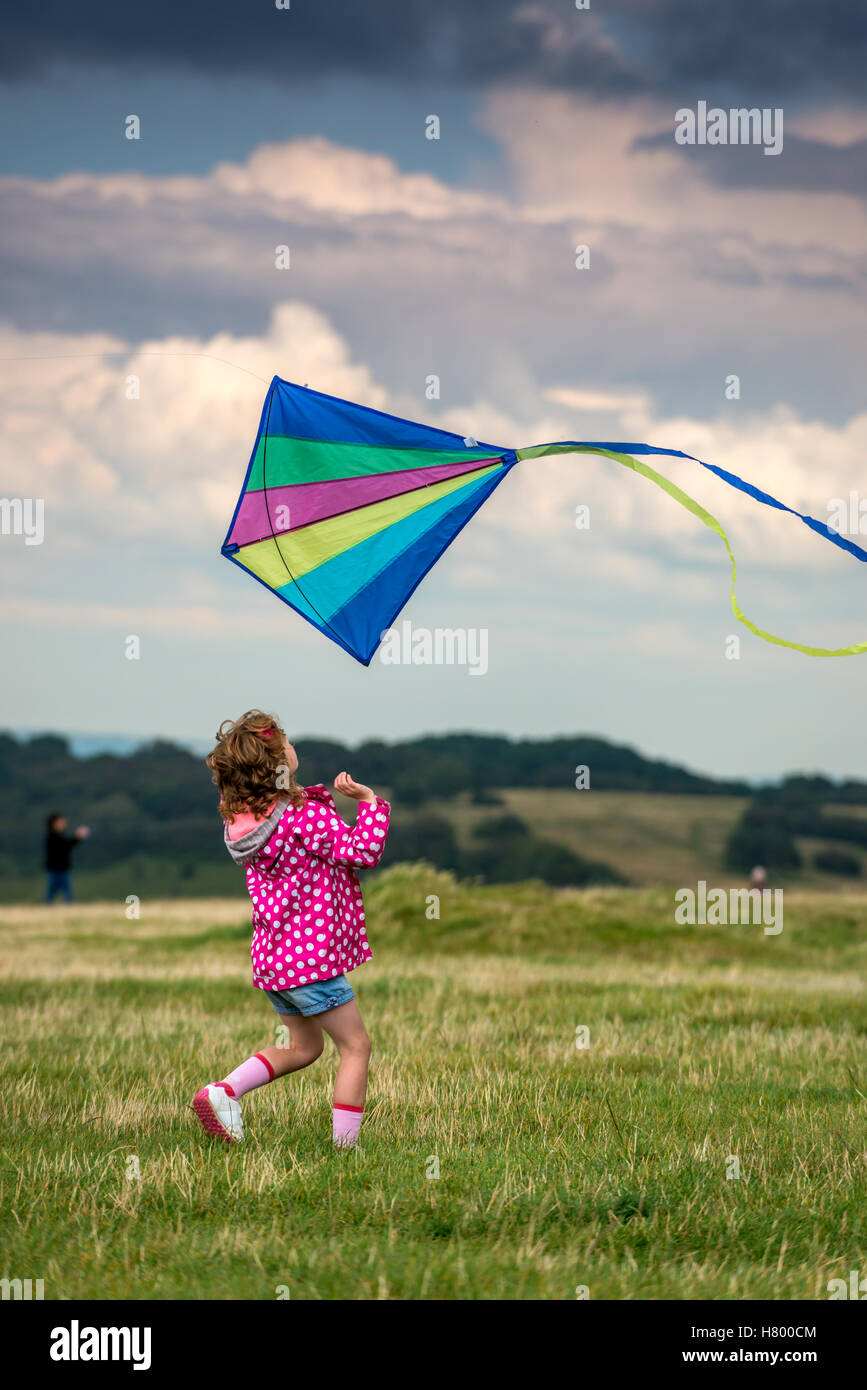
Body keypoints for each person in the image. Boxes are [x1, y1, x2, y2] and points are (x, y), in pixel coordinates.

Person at [192, 709, 391, 1149]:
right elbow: (362, 851)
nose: (293, 745)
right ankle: (346, 1149)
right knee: (356, 1047)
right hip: (312, 962)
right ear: (277, 760)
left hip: (274, 961)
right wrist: (371, 804)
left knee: (304, 1048)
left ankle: (223, 1092)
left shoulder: (242, 821)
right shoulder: (301, 817)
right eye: (288, 741)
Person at [44, 814, 90, 903]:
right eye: (60, 823)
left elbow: (67, 845)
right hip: (55, 870)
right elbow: (65, 846)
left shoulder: (58, 836)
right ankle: (49, 905)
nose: (63, 824)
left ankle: (65, 906)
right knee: (54, 891)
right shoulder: (51, 837)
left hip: (63, 869)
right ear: (54, 824)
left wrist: (77, 838)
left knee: (65, 891)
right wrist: (77, 837)